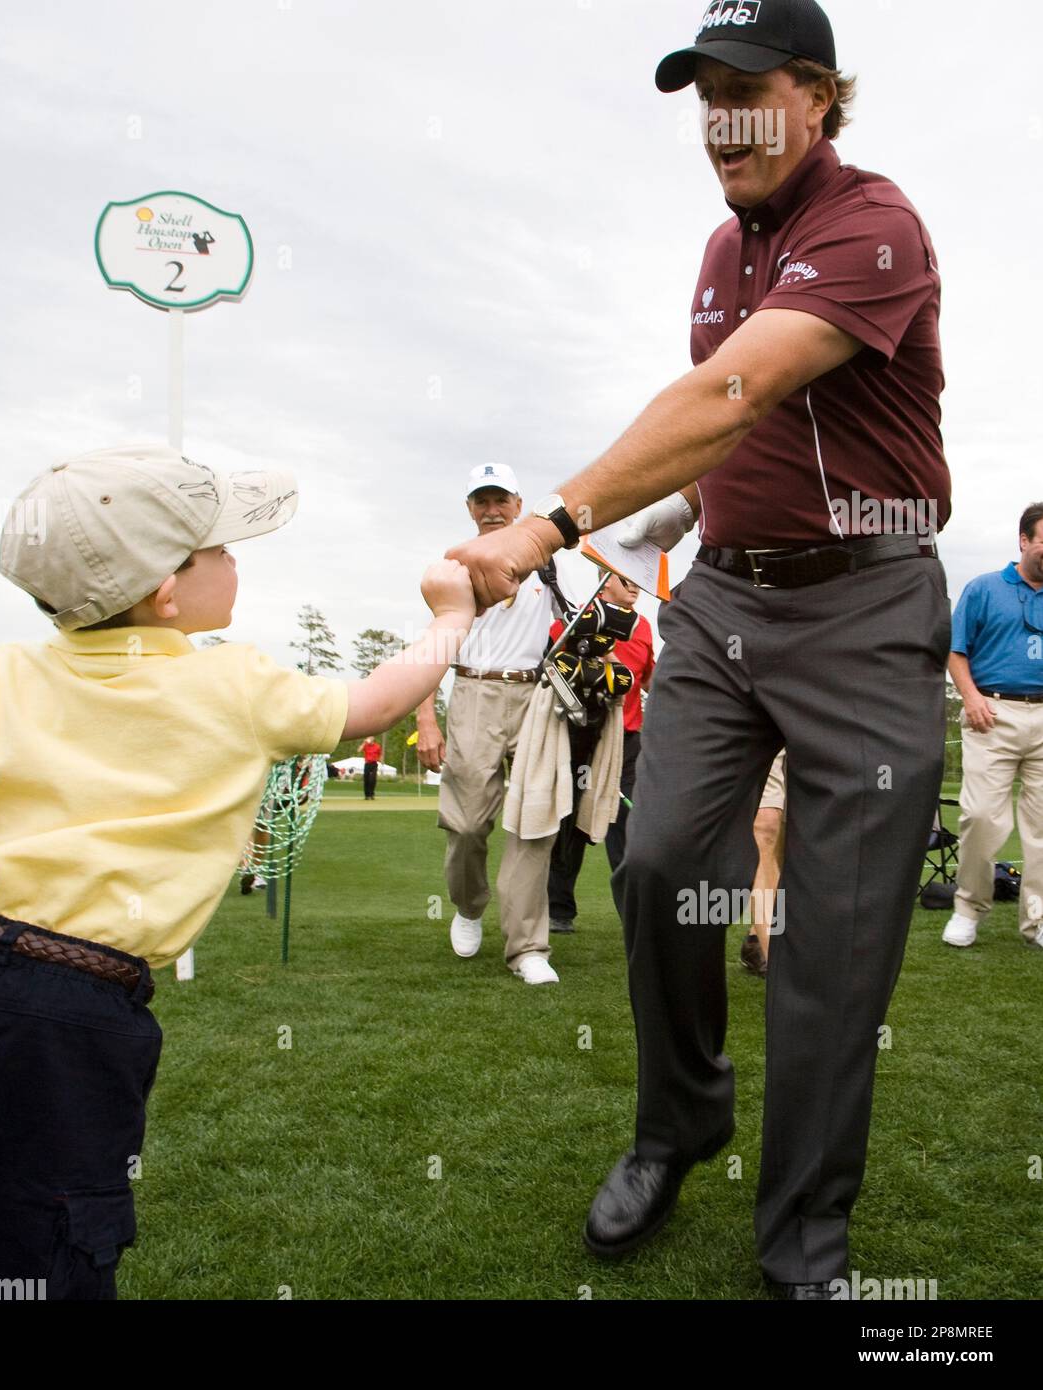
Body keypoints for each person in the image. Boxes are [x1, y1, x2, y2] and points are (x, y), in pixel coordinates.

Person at [447, 0, 951, 1297]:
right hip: (728, 602)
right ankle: (680, 1123)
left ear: (817, 96)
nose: (717, 122)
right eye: (699, 95)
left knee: (832, 938)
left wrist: (556, 517)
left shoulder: (870, 224)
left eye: (745, 89)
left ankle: (802, 1234)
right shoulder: (721, 254)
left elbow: (731, 391)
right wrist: (664, 516)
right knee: (660, 856)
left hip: (866, 600)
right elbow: (730, 434)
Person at [0, 444, 475, 1299]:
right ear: (168, 592)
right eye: (220, 547)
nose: (235, 558)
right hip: (71, 1010)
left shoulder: (7, 672)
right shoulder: (237, 684)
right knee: (15, 1258)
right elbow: (379, 701)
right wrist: (451, 617)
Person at [416, 463, 574, 985]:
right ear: (469, 508)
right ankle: (468, 904)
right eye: (481, 501)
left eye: (500, 499)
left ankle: (528, 947)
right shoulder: (454, 565)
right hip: (473, 692)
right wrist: (425, 717)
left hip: (535, 693)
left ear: (516, 501)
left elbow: (567, 624)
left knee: (534, 822)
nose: (491, 510)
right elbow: (433, 644)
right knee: (465, 824)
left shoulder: (548, 562)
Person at [942, 502, 1043, 949]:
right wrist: (971, 697)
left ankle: (1037, 919)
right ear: (1024, 540)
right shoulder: (983, 588)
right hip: (992, 716)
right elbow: (954, 648)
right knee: (981, 817)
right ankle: (968, 908)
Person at [547, 569, 655, 933]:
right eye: (627, 579)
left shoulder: (642, 627)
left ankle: (636, 914)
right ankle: (559, 910)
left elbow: (648, 678)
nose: (635, 586)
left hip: (627, 742)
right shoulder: (577, 615)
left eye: (638, 580)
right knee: (571, 821)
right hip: (581, 734)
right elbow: (551, 666)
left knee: (629, 824)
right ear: (605, 580)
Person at [740, 750, 787, 977]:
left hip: (818, 722)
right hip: (764, 720)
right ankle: (778, 958)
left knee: (793, 830)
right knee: (765, 824)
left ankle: (755, 938)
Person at [359, 735, 383, 800]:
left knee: (373, 779)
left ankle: (372, 794)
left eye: (370, 738)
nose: (369, 739)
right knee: (366, 779)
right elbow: (359, 750)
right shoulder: (366, 745)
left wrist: (382, 762)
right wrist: (364, 742)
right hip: (367, 764)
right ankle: (367, 795)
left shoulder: (377, 746)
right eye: (368, 738)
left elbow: (380, 755)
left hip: (374, 764)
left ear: (373, 739)